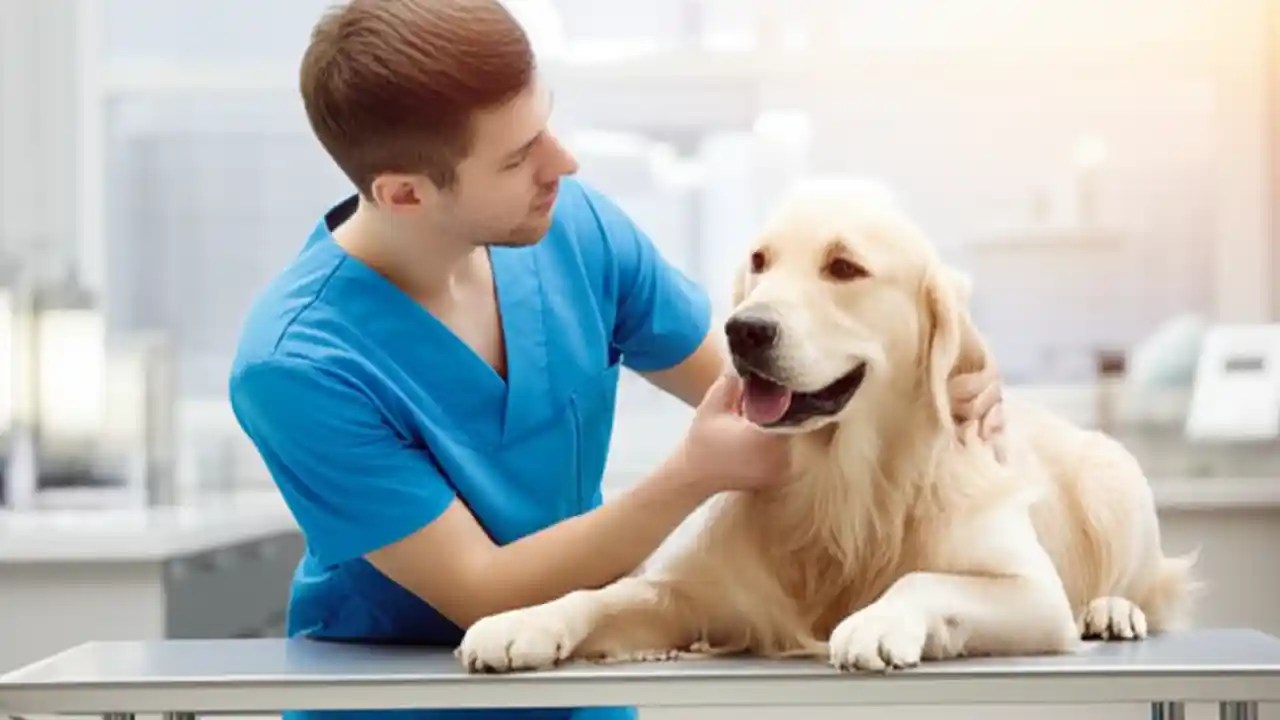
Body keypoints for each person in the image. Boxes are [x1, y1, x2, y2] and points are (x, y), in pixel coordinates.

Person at [227, 1, 1005, 719]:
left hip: (582, 679)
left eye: (548, 125)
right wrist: (693, 475)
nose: (562, 164)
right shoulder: (298, 365)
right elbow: (481, 594)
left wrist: (948, 368)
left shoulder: (573, 230)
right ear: (404, 194)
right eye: (517, 158)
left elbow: (764, 396)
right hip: (401, 699)